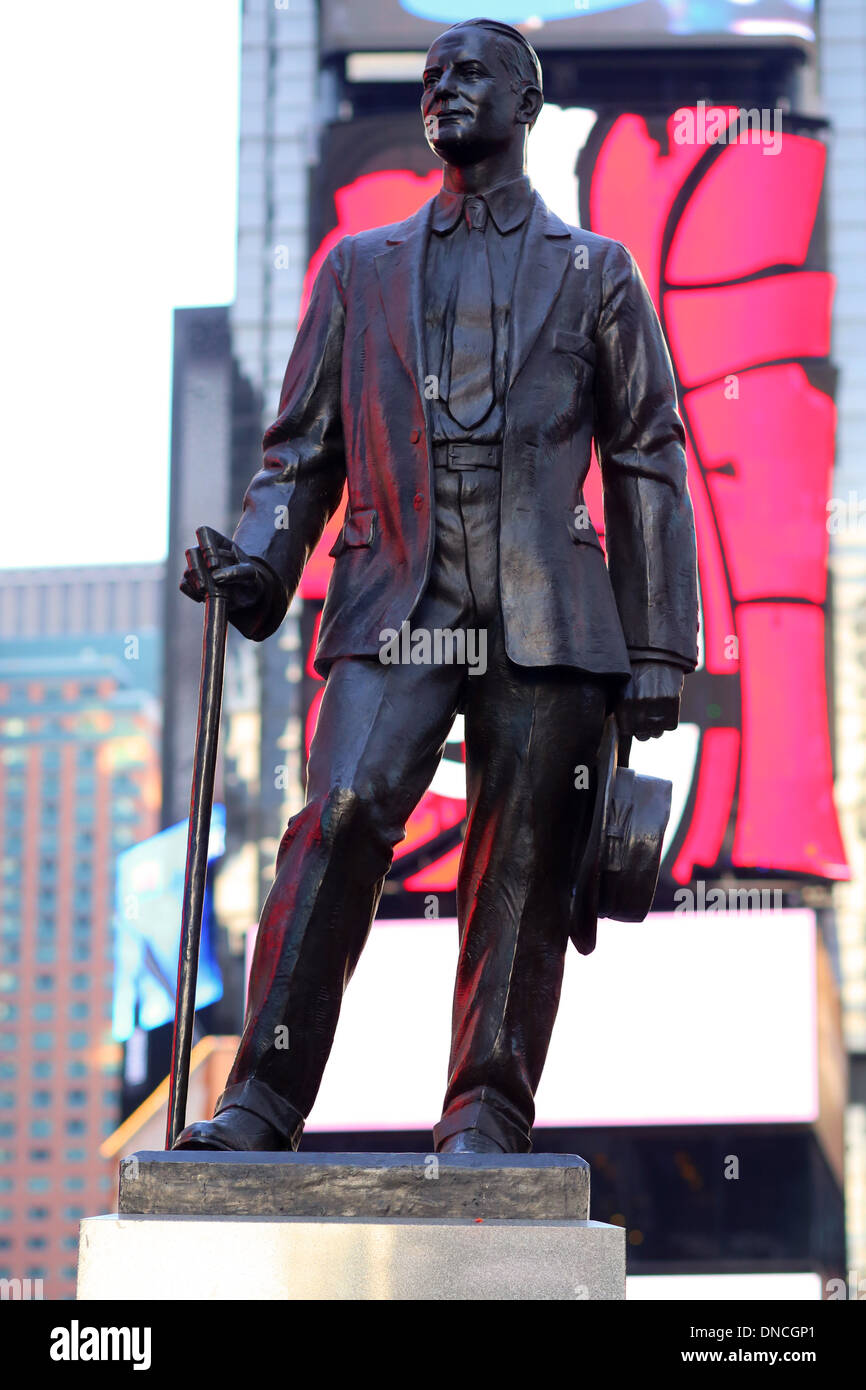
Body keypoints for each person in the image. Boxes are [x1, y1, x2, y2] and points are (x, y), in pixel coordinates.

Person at [176, 18, 698, 1155]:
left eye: (469, 74)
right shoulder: (357, 270)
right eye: (428, 79)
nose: (442, 92)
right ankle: (262, 1097)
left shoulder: (593, 272)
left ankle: (484, 1111)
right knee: (343, 813)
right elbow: (299, 455)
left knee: (518, 858)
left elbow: (647, 452)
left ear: (525, 102)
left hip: (545, 618)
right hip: (393, 603)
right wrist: (260, 562)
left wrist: (658, 646)